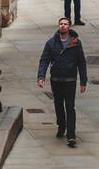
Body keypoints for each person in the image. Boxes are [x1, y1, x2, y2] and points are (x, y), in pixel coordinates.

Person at [37, 15, 87, 147]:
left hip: (70, 79)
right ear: (58, 26)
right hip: (56, 79)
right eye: (61, 24)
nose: (63, 26)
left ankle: (71, 135)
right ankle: (61, 125)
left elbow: (81, 63)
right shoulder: (51, 43)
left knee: (70, 107)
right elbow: (44, 60)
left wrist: (83, 81)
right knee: (58, 105)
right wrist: (41, 77)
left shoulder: (76, 43)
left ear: (69, 27)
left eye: (65, 24)